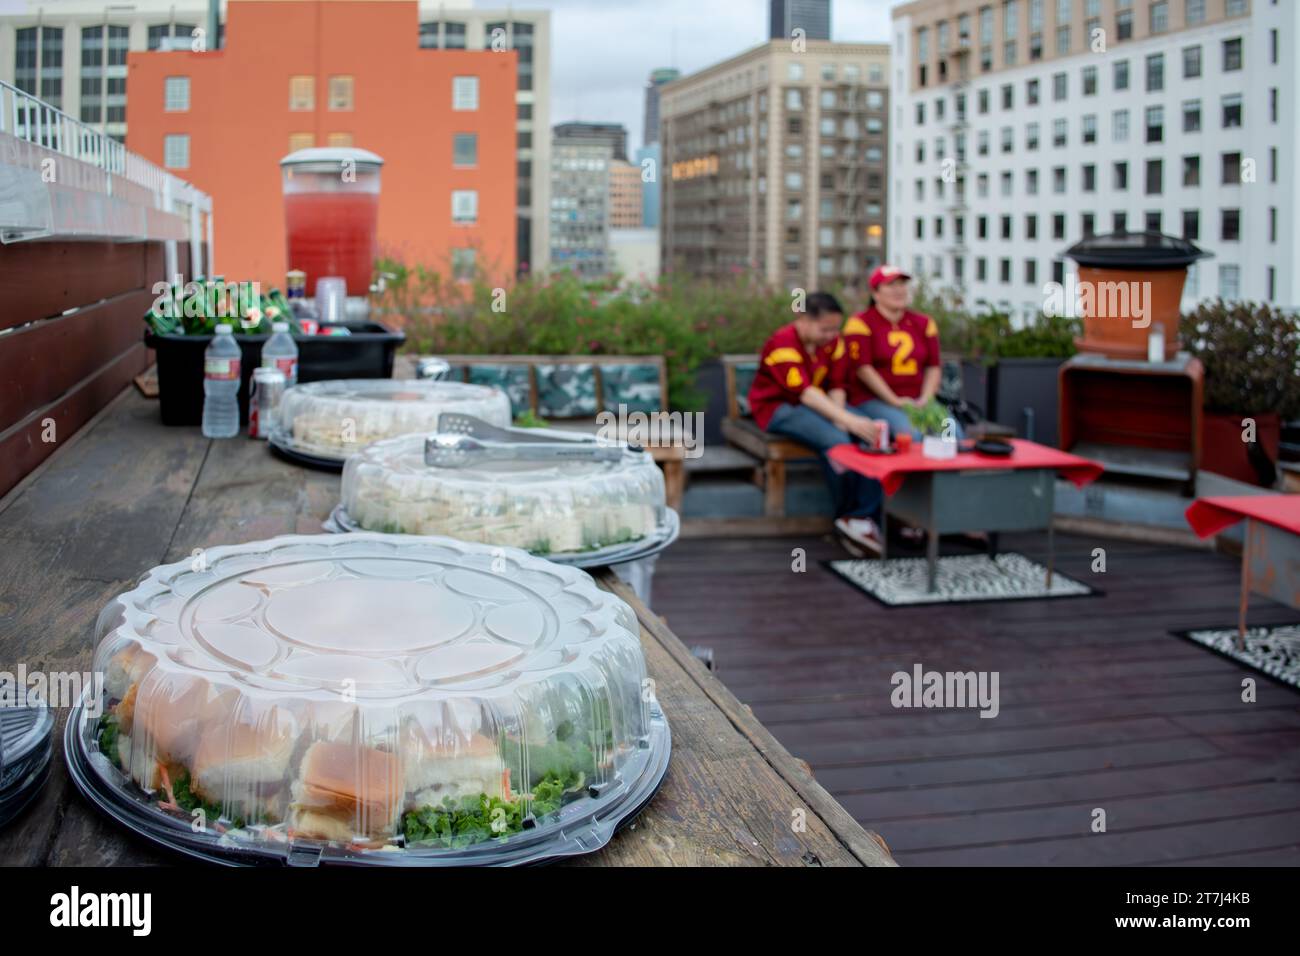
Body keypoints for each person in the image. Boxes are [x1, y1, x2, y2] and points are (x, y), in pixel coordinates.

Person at [748, 292, 886, 552]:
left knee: (870, 434)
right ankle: (848, 516)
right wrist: (843, 420)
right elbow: (805, 393)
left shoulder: (835, 343)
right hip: (780, 408)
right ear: (803, 320)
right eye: (825, 329)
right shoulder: (782, 344)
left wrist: (844, 418)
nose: (832, 335)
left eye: (836, 328)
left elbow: (836, 385)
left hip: (821, 405)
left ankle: (862, 515)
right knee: (836, 441)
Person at [842, 265, 963, 442]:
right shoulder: (860, 323)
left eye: (902, 284)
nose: (899, 290)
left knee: (952, 433)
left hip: (918, 400)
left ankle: (944, 470)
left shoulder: (924, 322)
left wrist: (926, 399)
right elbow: (863, 369)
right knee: (911, 434)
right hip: (874, 400)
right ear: (875, 293)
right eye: (891, 285)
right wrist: (895, 401)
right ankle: (912, 470)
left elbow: (933, 367)